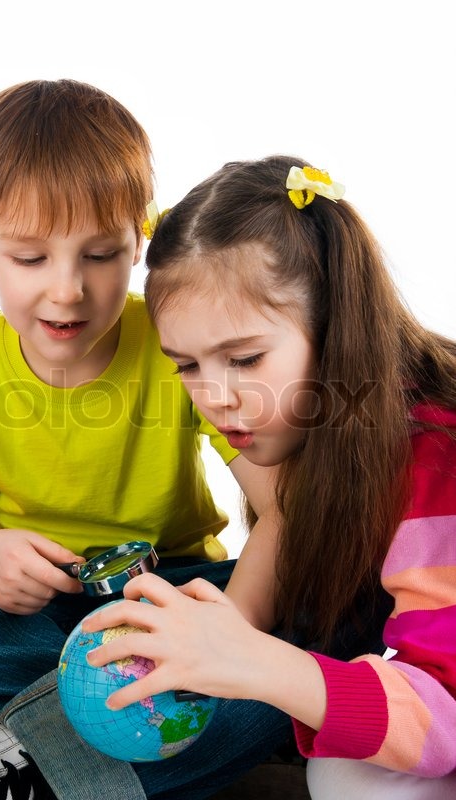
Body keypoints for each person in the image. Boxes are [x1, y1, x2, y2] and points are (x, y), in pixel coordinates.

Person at [0, 79, 280, 800]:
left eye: (99, 254)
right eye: (30, 259)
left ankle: (12, 764)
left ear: (141, 238)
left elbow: (284, 508)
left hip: (177, 600)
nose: (67, 290)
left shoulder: (174, 341)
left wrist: (228, 635)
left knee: (326, 602)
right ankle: (121, 744)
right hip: (36, 625)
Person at [83, 155, 456, 799]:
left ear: (334, 328)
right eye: (186, 366)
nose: (214, 397)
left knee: (350, 781)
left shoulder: (433, 455)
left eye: (245, 358)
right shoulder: (312, 424)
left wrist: (255, 661)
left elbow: (444, 718)